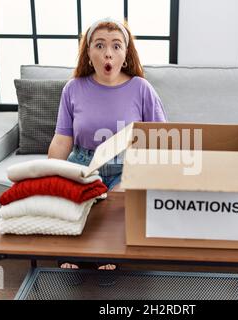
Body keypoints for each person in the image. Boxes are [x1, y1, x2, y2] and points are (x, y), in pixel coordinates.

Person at [47, 17, 167, 270]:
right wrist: (50, 177)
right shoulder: (73, 88)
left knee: (116, 207)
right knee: (72, 206)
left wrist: (143, 174)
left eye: (116, 46)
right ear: (88, 54)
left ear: (126, 54)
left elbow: (159, 140)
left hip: (126, 166)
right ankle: (75, 252)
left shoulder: (142, 88)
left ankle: (110, 252)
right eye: (99, 46)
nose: (107, 54)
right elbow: (62, 139)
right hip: (83, 166)